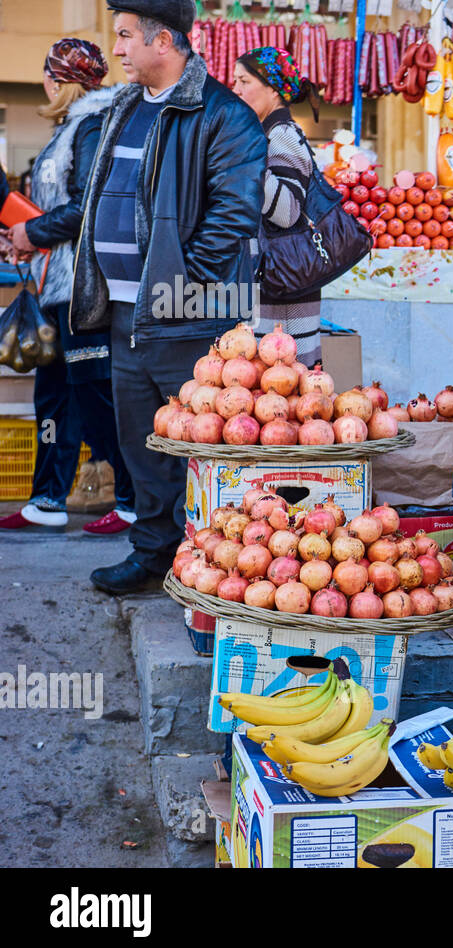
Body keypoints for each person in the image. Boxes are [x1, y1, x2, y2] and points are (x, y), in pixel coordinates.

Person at [71, 0, 266, 595]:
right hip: (127, 314)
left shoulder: (224, 114)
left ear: (164, 41)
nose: (118, 49)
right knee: (143, 444)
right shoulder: (124, 108)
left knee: (203, 446)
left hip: (190, 313)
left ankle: (219, 566)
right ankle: (153, 553)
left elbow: (234, 213)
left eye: (126, 36)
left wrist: (178, 286)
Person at [0, 39, 137, 534]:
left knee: (97, 395)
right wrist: (25, 239)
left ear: (55, 79)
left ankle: (131, 500)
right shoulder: (68, 130)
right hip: (56, 284)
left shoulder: (91, 126)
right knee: (53, 398)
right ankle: (48, 498)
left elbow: (90, 208)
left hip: (86, 289)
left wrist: (30, 232)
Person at [231, 46, 325, 367]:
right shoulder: (264, 135)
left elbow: (286, 212)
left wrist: (246, 160)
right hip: (275, 287)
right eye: (234, 81)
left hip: (284, 295)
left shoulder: (282, 135)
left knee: (286, 387)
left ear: (272, 88)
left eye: (244, 81)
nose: (236, 89)